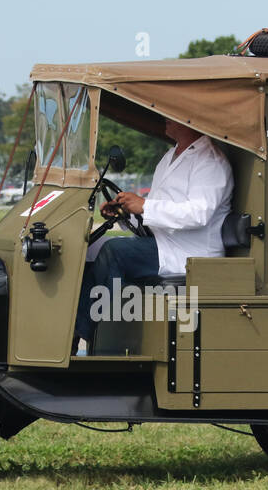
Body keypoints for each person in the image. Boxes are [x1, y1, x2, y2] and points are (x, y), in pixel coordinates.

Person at [74, 120, 233, 350]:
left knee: (115, 252)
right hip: (162, 243)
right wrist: (124, 213)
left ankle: (91, 337)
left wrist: (144, 206)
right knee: (89, 249)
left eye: (171, 115)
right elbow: (153, 215)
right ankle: (84, 335)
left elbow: (198, 213)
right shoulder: (170, 156)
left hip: (190, 254)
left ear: (188, 119)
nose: (164, 119)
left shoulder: (210, 161)